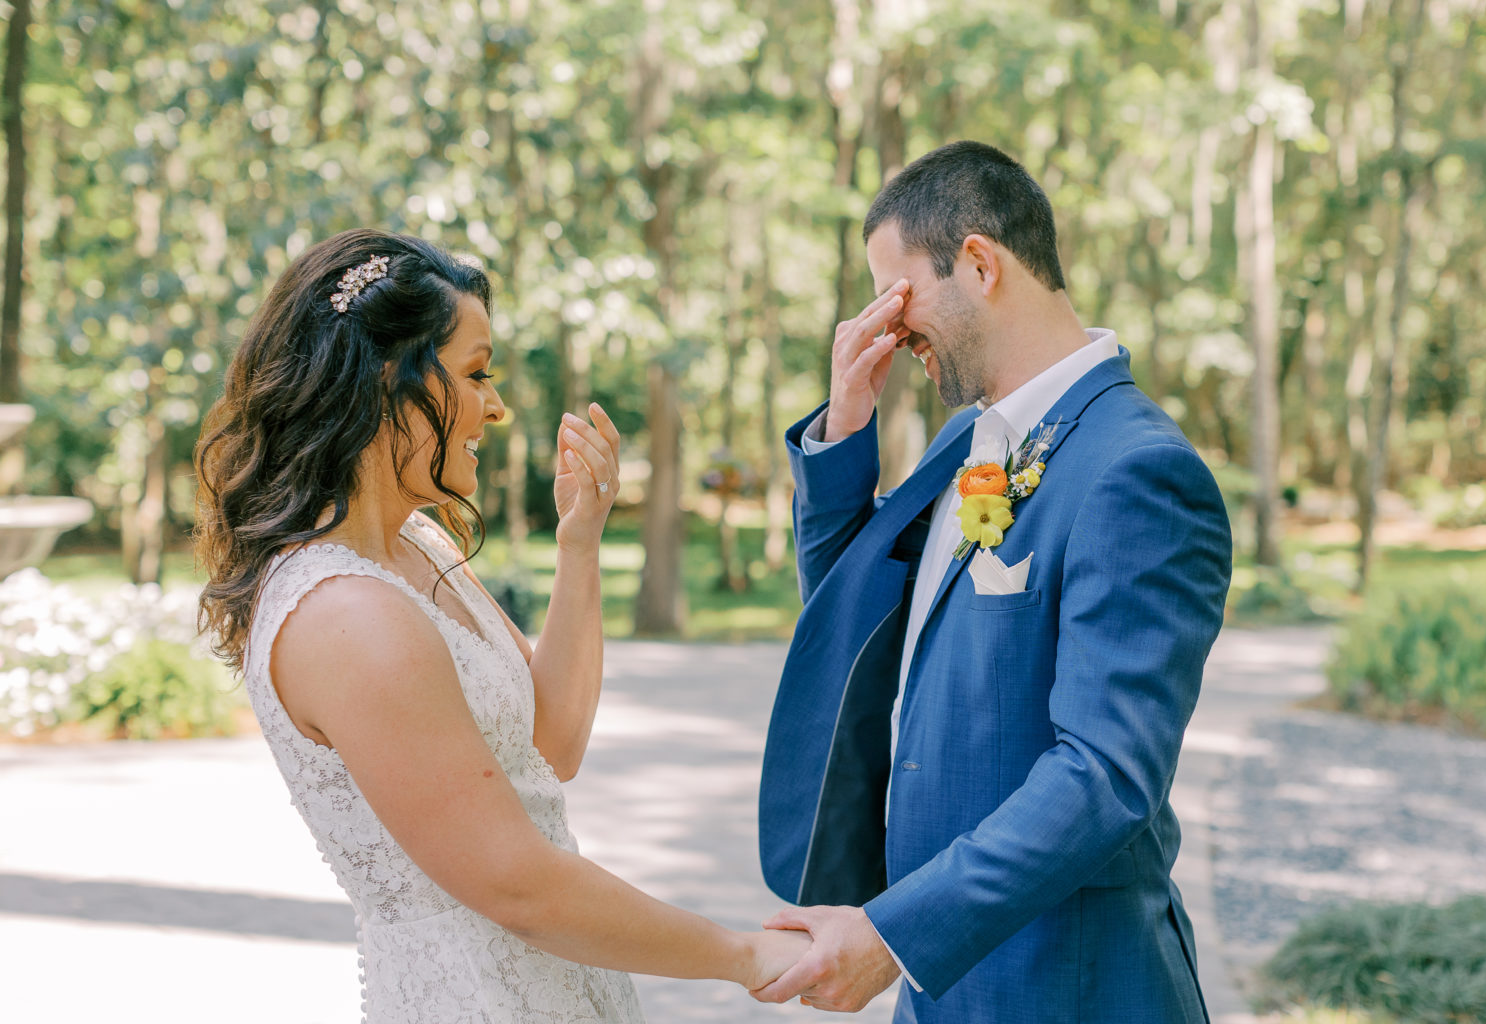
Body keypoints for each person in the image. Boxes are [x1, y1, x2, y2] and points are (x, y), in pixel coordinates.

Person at [194, 228, 807, 1023]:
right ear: (387, 380)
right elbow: (517, 883)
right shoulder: (347, 614)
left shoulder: (419, 544)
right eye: (476, 373)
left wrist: (578, 545)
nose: (497, 404)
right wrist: (747, 956)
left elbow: (552, 746)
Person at [753, 141, 1233, 1023]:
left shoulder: (1137, 471)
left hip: (1066, 985)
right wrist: (845, 431)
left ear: (978, 263)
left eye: (900, 293)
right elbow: (860, 630)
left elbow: (1104, 775)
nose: (889, 326)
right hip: (948, 988)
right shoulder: (968, 442)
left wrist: (896, 935)